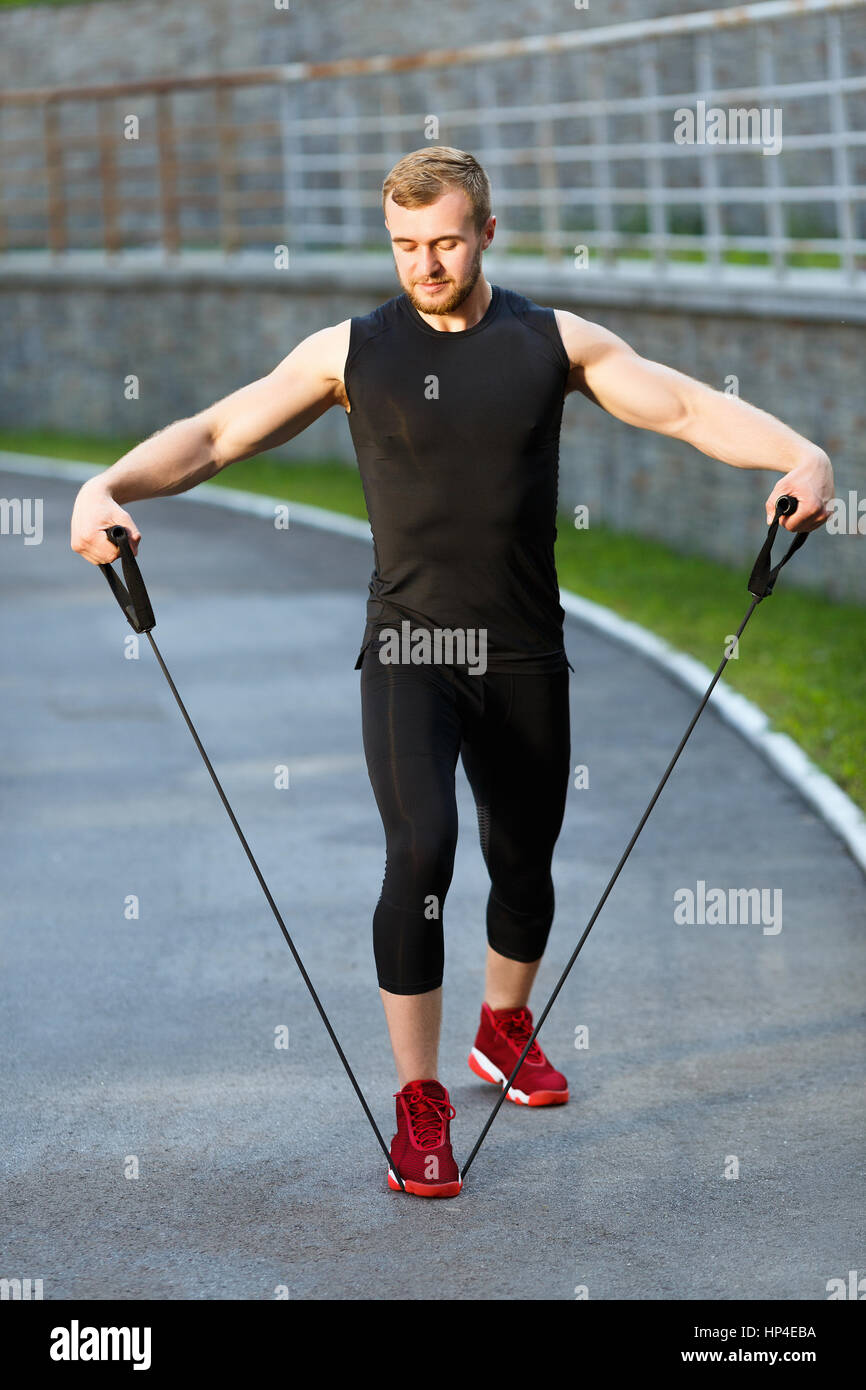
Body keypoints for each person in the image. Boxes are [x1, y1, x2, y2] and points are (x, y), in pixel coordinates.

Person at [71, 146, 834, 1199]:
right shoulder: (350, 352)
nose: (422, 263)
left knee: (523, 867)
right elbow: (211, 433)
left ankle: (502, 1026)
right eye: (403, 245)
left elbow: (690, 409)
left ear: (484, 231)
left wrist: (800, 454)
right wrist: (105, 486)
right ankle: (418, 1097)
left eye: (442, 240)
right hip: (410, 649)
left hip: (522, 649)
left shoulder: (552, 341)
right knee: (420, 848)